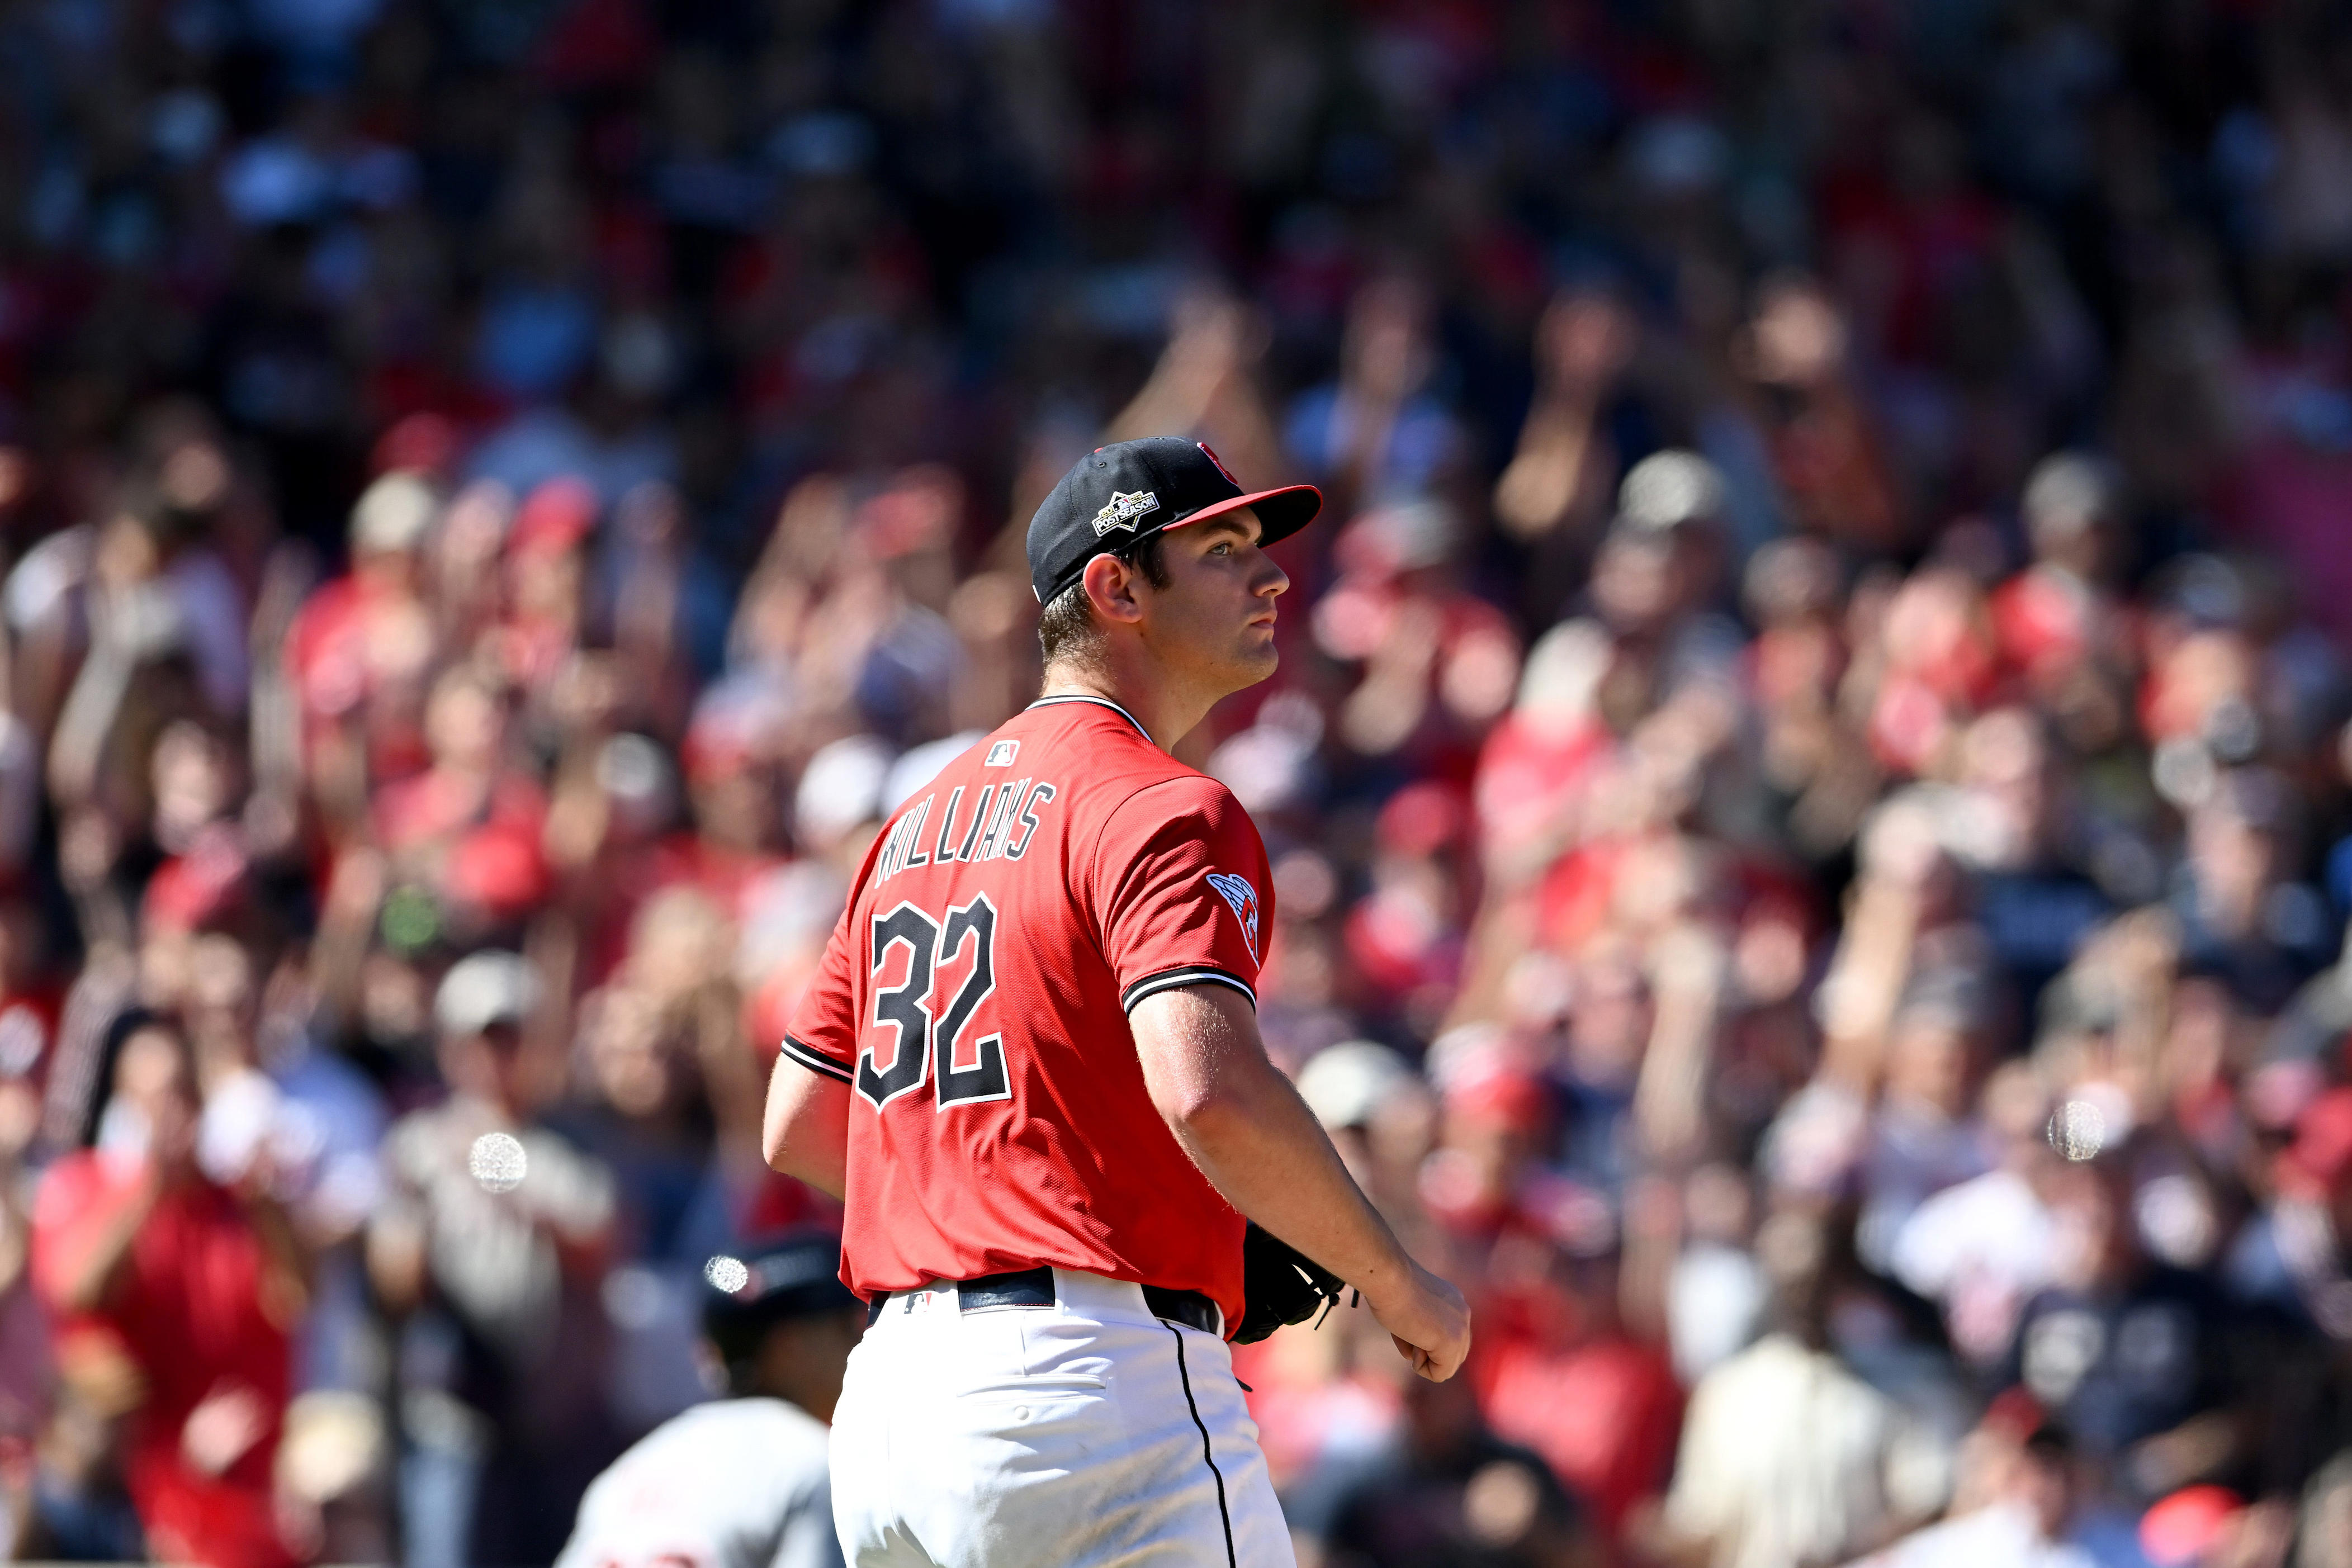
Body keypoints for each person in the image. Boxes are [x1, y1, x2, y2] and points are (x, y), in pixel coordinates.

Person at [762, 437, 1471, 1567]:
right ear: (1116, 587)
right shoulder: (1161, 805)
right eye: (1223, 551)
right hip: (1086, 1393)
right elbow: (1210, 1094)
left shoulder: (912, 823)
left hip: (892, 1412)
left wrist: (1007, 1204)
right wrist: (1398, 1284)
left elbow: (800, 1123)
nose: (1272, 575)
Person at [555, 1231, 864, 1568]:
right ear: (790, 1347)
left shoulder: (629, 1470)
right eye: (848, 1328)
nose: (864, 1344)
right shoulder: (812, 1460)